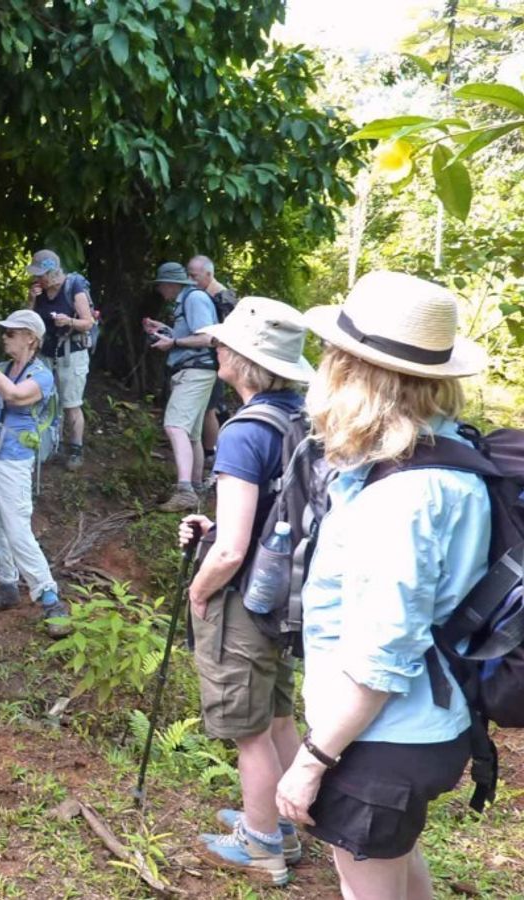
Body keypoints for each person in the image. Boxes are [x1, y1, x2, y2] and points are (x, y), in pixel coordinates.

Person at [275, 271, 490, 900]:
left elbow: (380, 656)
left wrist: (312, 761)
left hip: (378, 741)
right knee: (398, 871)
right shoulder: (444, 458)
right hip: (428, 722)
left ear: (352, 377)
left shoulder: (402, 496)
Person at [176, 297, 315, 886]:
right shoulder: (302, 417)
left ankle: (260, 845)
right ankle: (282, 823)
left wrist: (200, 590)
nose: (217, 350)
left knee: (247, 728)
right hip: (287, 595)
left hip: (245, 598)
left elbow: (231, 550)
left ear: (242, 358)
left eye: (223, 344)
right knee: (278, 710)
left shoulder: (242, 432)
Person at [0, 309, 70, 637]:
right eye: (5, 332)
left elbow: (14, 395)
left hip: (13, 458)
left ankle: (49, 597)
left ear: (30, 338)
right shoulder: (3, 367)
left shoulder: (42, 375)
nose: (5, 337)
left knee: (17, 528)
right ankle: (6, 585)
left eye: (11, 332)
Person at [143, 261, 218, 512]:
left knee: (174, 426)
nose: (160, 291)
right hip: (197, 370)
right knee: (192, 433)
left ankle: (185, 490)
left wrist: (173, 343)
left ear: (170, 284)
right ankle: (194, 488)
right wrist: (164, 331)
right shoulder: (186, 301)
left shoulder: (194, 299)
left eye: (161, 285)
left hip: (195, 370)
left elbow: (208, 338)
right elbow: (190, 335)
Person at [26, 249, 94, 470]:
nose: (38, 279)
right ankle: (49, 446)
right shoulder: (40, 293)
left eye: (41, 275)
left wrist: (69, 322)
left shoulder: (74, 287)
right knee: (45, 400)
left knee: (71, 403)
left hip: (71, 353)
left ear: (53, 273)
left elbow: (88, 322)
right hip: (46, 353)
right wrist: (31, 300)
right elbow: (29, 321)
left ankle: (75, 449)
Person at [187, 255, 237, 461]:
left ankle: (211, 454)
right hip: (212, 360)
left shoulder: (222, 298)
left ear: (209, 274)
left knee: (210, 408)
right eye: (188, 275)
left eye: (194, 276)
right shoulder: (204, 294)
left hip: (217, 360)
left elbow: (226, 334)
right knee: (212, 408)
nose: (190, 280)